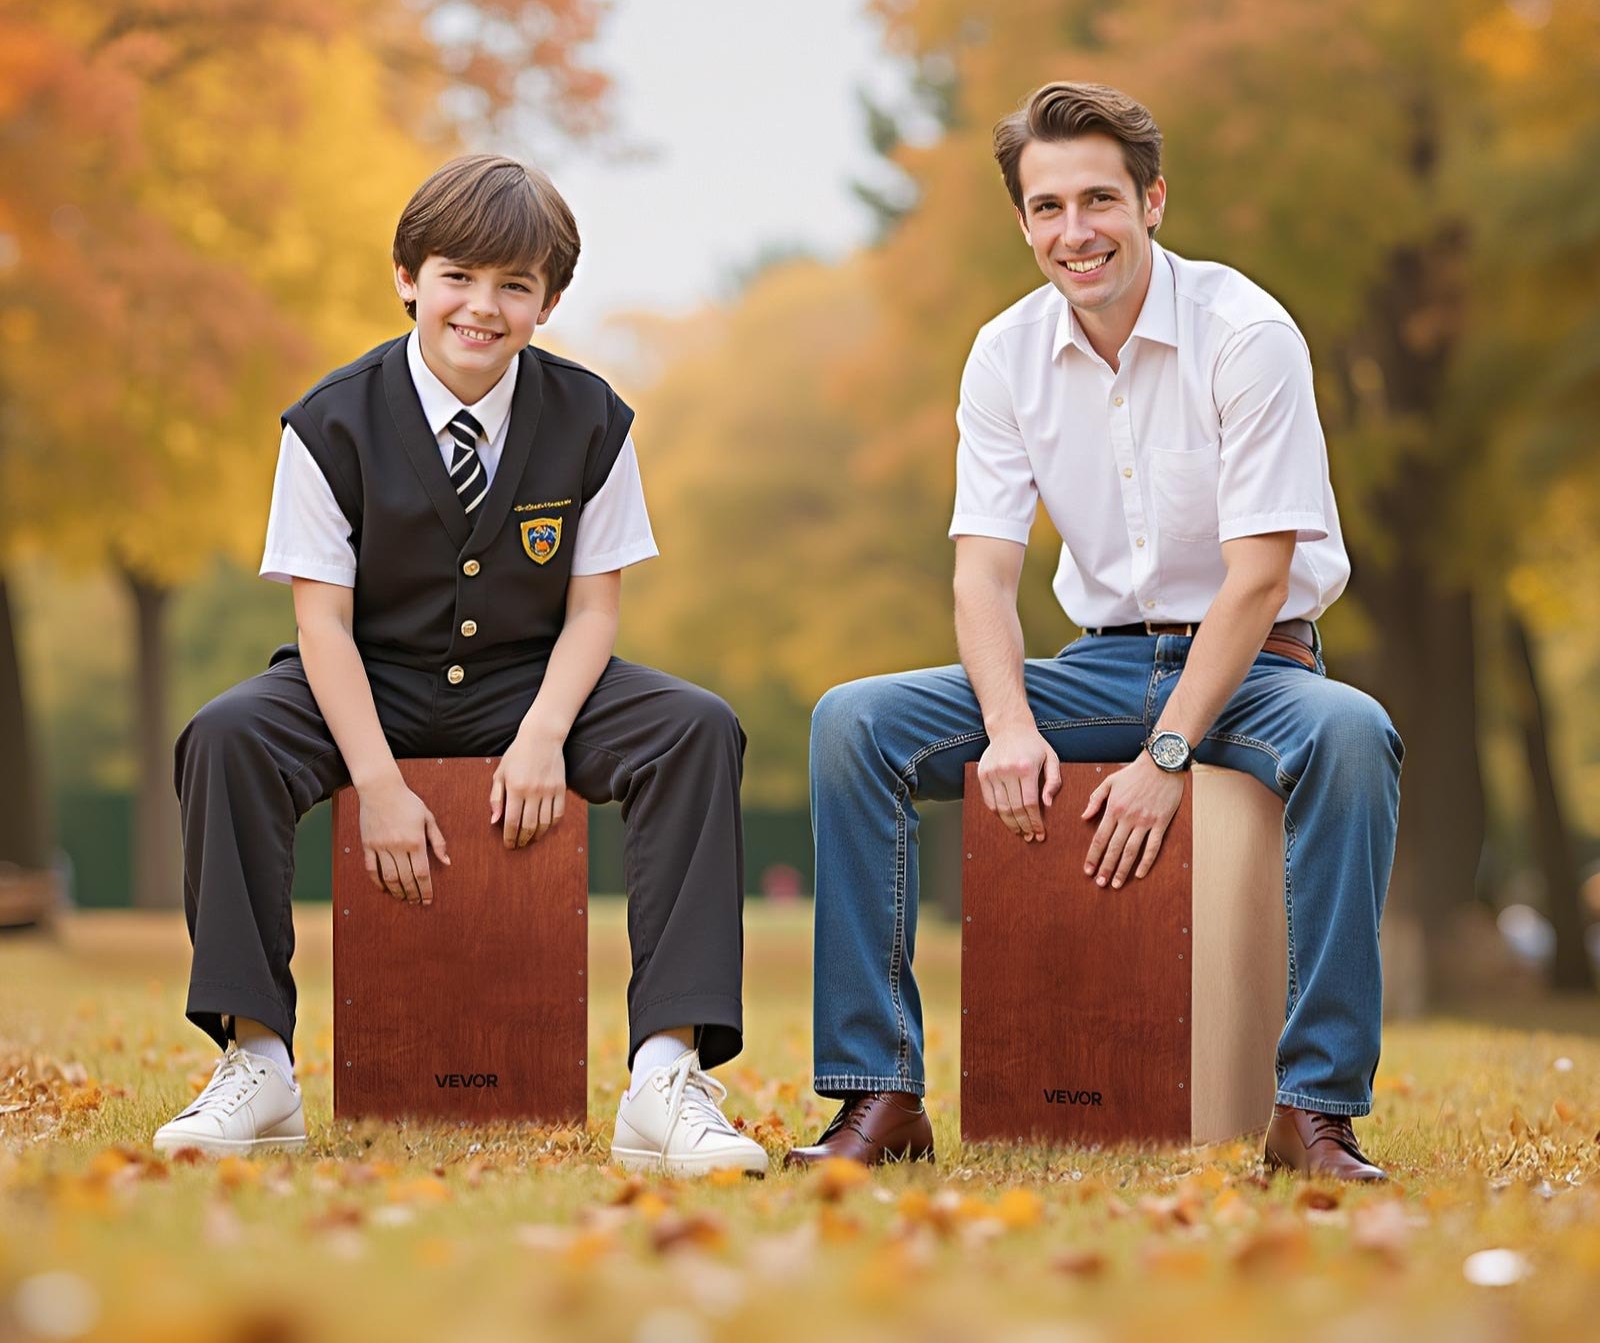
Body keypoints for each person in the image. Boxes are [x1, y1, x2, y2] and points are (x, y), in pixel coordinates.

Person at [786, 83, 1401, 1182]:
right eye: (1048, 206)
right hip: (1101, 663)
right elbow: (981, 571)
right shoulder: (1004, 354)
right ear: (1023, 222)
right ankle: (878, 1090)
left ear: (1152, 200)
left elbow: (1259, 578)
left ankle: (1311, 1110)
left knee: (1352, 734)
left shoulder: (1246, 334)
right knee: (853, 721)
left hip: (1259, 665)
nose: (1076, 232)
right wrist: (1010, 726)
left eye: (1100, 199)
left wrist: (1167, 754)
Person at [153, 155, 767, 1176]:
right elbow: (322, 628)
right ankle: (255, 1059)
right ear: (406, 275)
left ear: (549, 300)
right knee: (225, 734)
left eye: (515, 285)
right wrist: (379, 783)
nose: (482, 307)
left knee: (694, 726)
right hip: (364, 675)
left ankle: (667, 1072)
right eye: (457, 276)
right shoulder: (328, 422)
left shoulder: (594, 419)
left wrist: (542, 735)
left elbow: (593, 609)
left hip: (535, 679)